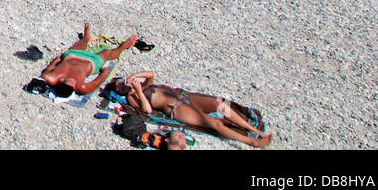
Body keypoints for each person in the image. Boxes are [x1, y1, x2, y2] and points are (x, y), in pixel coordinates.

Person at [110, 72, 272, 147]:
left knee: (220, 105)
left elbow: (151, 74)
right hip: (176, 109)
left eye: (122, 83)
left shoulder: (143, 85)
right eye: (119, 88)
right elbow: (148, 110)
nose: (123, 87)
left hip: (185, 98)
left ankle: (251, 128)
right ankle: (253, 141)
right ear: (120, 93)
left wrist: (136, 76)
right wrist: (137, 91)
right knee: (215, 124)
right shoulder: (132, 98)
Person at [38, 22, 137, 98]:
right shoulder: (82, 88)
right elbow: (98, 81)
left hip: (71, 56)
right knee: (107, 53)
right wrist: (104, 72)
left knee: (78, 46)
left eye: (70, 82)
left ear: (61, 81)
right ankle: (124, 46)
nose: (74, 82)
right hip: (91, 63)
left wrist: (57, 60)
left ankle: (86, 38)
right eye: (73, 84)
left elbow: (50, 67)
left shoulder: (49, 77)